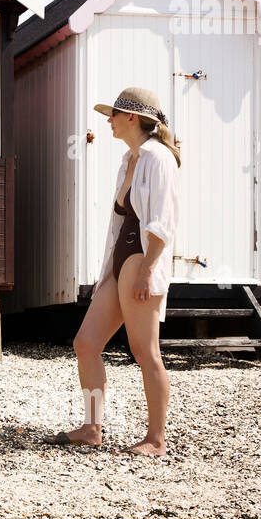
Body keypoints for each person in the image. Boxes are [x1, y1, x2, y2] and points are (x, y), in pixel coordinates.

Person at [47, 86, 181, 457]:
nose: (109, 121)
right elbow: (117, 225)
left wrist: (147, 271)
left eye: (114, 115)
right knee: (86, 344)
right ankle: (92, 427)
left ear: (133, 118)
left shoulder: (159, 158)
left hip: (142, 259)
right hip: (120, 262)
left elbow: (162, 222)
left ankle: (156, 439)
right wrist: (106, 275)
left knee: (145, 350)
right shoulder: (129, 159)